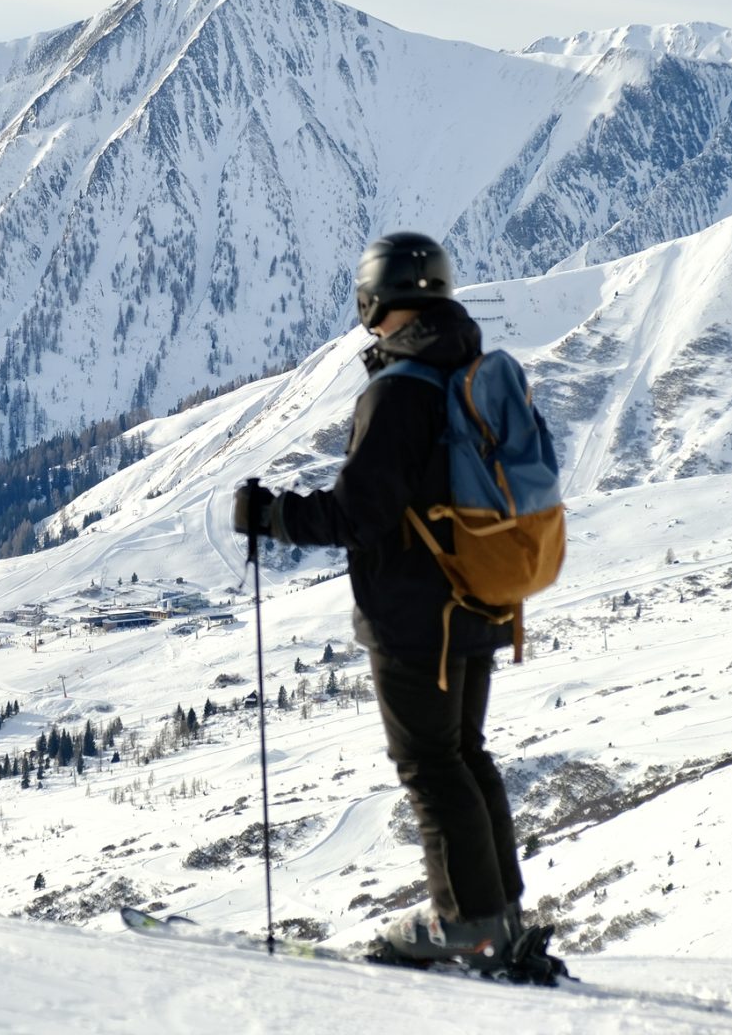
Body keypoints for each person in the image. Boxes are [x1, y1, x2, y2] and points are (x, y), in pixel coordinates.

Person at [232, 231, 523, 967]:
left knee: (431, 765)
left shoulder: (400, 389)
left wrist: (272, 516)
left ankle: (469, 926)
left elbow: (358, 515)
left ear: (376, 300)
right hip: (482, 601)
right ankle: (501, 916)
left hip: (414, 616)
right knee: (464, 754)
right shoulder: (474, 370)